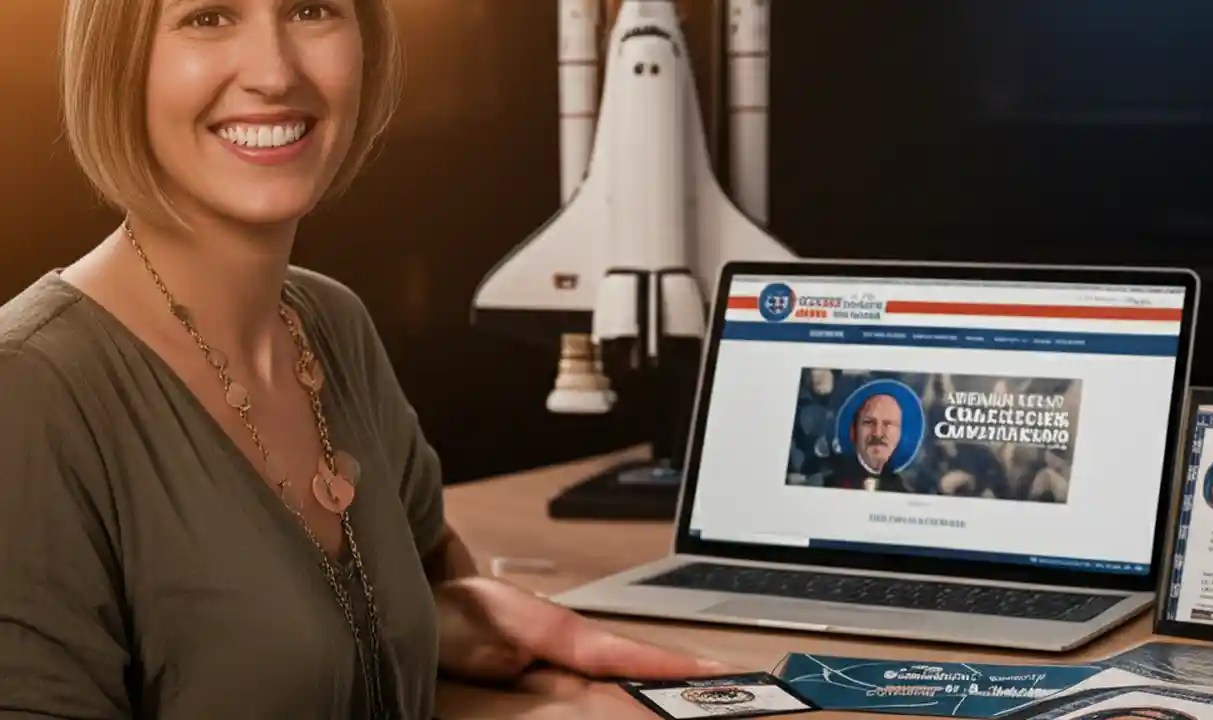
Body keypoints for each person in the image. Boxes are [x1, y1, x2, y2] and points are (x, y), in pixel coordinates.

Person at [0, 0, 728, 717]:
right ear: (118, 62)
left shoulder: (331, 326)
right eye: (208, 17)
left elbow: (393, 622)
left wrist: (517, 662)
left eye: (312, 9)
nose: (275, 72)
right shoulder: (28, 391)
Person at [825, 393, 907, 492]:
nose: (877, 434)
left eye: (887, 424)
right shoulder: (831, 480)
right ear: (853, 431)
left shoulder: (899, 488)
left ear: (898, 435)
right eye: (869, 422)